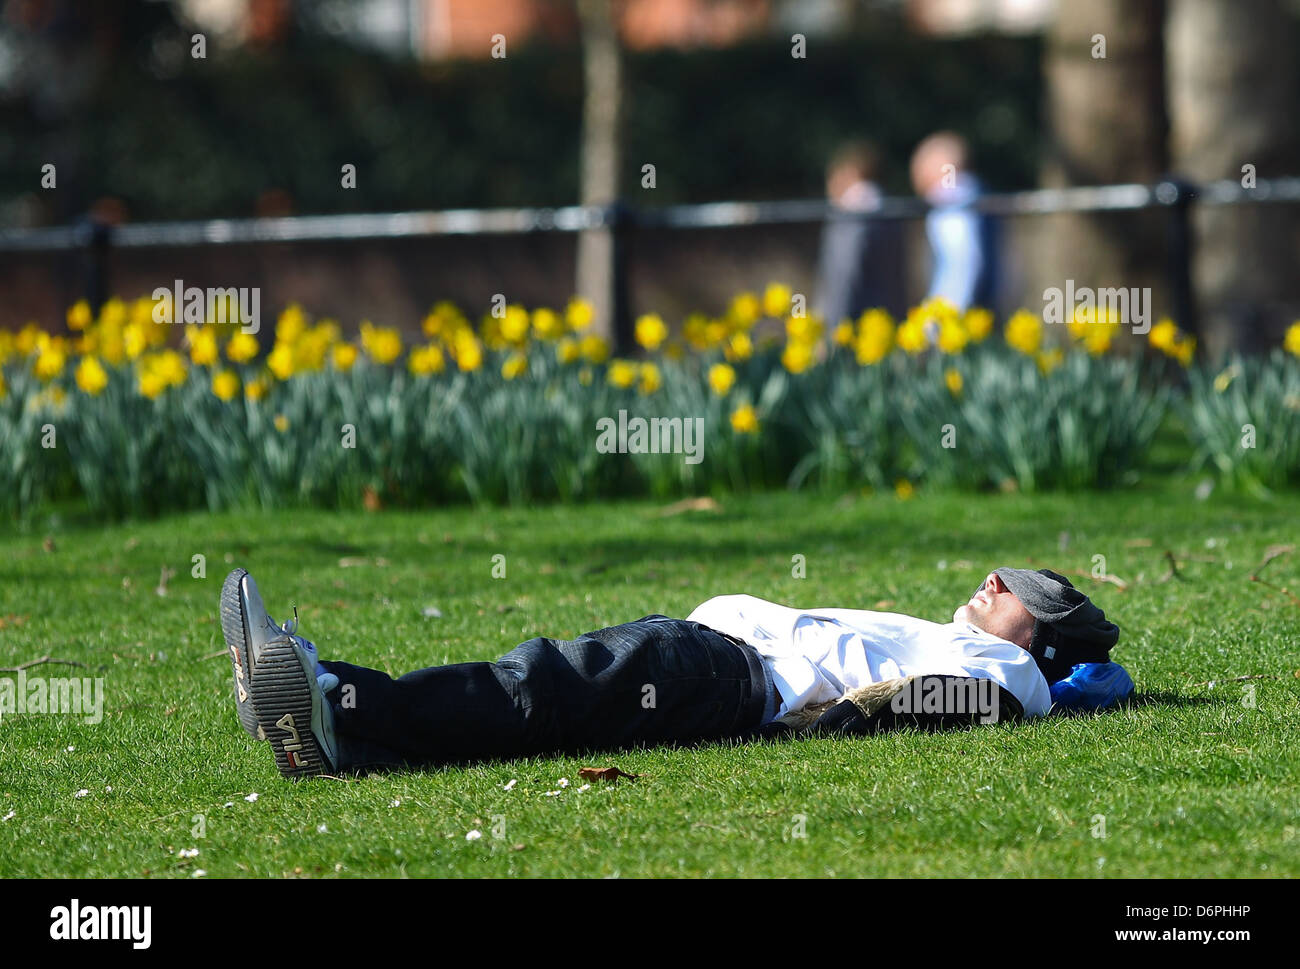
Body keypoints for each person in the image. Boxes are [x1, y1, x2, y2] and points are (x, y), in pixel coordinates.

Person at [221, 566, 1119, 779]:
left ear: (1038, 637)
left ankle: (329, 690)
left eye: (1019, 592)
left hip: (732, 674)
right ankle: (341, 742)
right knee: (549, 706)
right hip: (714, 662)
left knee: (543, 682)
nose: (993, 581)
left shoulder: (1016, 676)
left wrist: (852, 714)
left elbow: (970, 704)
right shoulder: (989, 649)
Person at [815, 140, 905, 326]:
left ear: (850, 173)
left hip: (853, 328)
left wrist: (829, 330)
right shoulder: (892, 211)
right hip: (887, 323)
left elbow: (844, 278)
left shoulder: (851, 214)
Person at [910, 131, 999, 311]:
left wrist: (944, 314)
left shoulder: (951, 194)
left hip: (955, 316)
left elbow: (964, 262)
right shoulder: (978, 192)